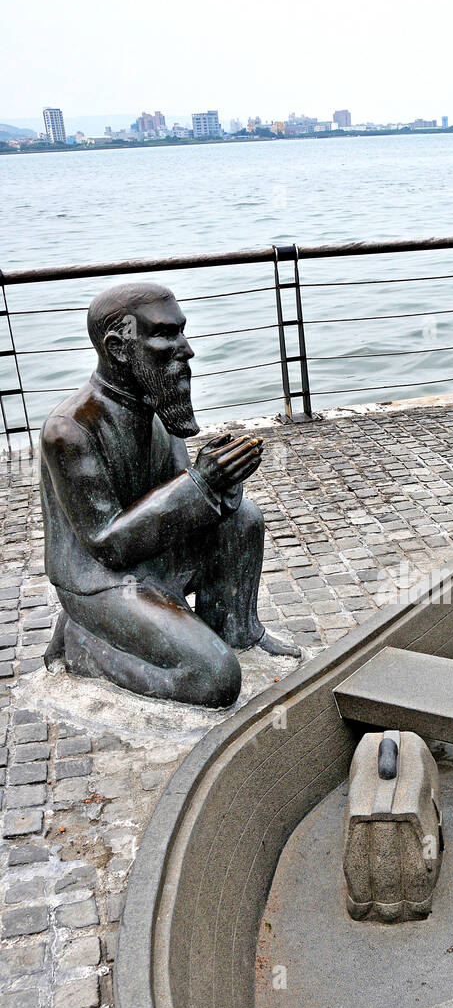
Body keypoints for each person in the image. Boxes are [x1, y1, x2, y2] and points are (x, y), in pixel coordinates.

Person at [40, 280, 299, 707]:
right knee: (213, 680)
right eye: (165, 334)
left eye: (181, 330)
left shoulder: (155, 405)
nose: (186, 348)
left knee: (243, 518)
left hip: (153, 554)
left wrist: (219, 481)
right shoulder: (70, 430)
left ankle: (235, 630)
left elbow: (179, 499)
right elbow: (107, 545)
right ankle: (84, 647)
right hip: (102, 580)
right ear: (119, 349)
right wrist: (201, 483)